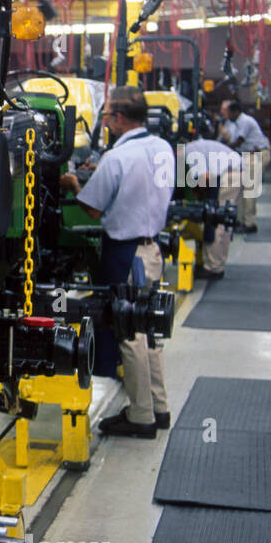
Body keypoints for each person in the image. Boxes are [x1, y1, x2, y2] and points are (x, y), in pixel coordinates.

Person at [60, 85, 174, 438]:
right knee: (146, 327)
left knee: (129, 333)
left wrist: (73, 183)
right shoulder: (162, 148)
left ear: (120, 118)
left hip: (126, 255)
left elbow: (93, 208)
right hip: (152, 248)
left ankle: (140, 417)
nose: (106, 122)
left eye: (108, 116)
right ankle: (159, 406)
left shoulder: (118, 158)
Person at [180, 136, 242, 279]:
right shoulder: (201, 144)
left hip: (228, 176)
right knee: (226, 222)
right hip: (239, 172)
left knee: (215, 219)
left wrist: (197, 195)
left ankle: (212, 268)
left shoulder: (189, 151)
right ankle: (218, 264)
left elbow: (205, 177)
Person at [218, 99, 269, 232]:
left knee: (250, 190)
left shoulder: (245, 121)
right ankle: (240, 221)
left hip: (256, 155)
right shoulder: (235, 123)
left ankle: (250, 224)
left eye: (228, 113)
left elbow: (238, 142)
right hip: (245, 156)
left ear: (235, 112)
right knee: (240, 190)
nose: (226, 116)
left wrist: (220, 149)